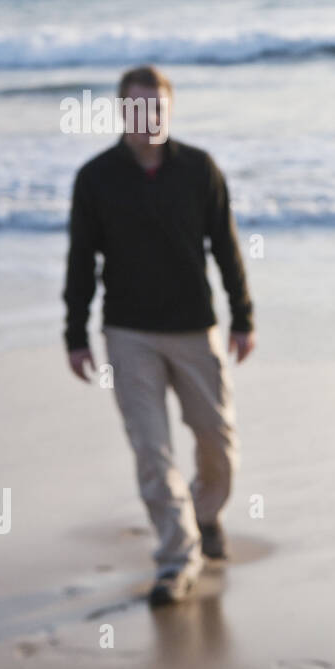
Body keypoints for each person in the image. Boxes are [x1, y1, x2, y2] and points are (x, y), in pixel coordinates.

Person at [63, 65, 256, 606]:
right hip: (128, 333)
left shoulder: (199, 169)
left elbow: (226, 247)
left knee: (218, 444)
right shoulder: (95, 178)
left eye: (156, 108)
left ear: (169, 111)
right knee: (152, 451)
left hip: (196, 327)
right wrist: (74, 334)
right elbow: (82, 261)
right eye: (135, 107)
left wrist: (243, 317)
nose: (146, 118)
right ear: (121, 111)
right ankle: (177, 558)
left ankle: (205, 514)